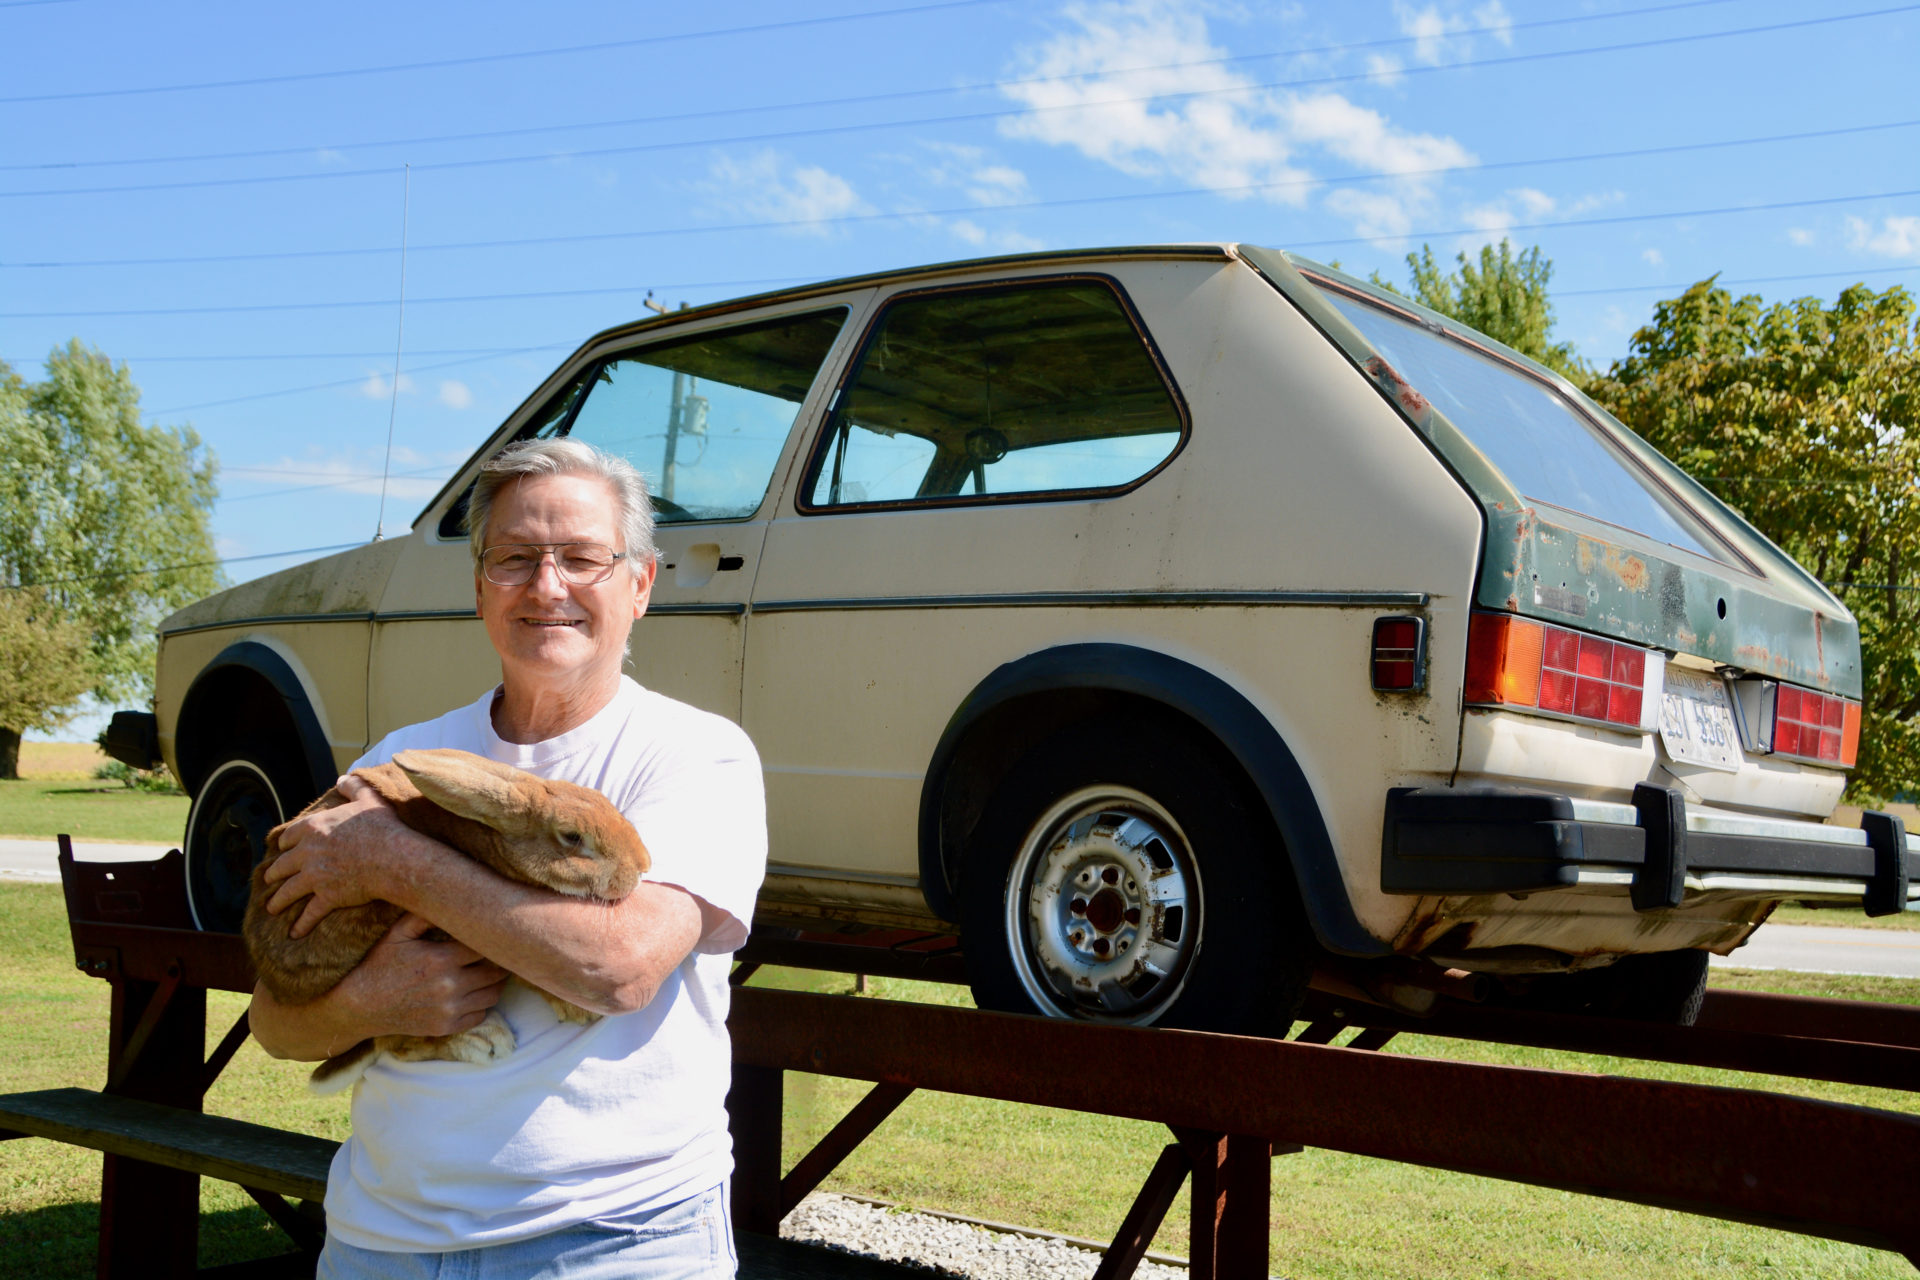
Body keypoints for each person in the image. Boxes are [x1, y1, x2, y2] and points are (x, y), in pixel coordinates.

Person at [248, 438, 767, 1279]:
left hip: (608, 1242)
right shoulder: (404, 754)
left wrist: (393, 863)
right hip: (383, 1240)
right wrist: (374, 999)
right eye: (514, 559)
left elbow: (620, 968)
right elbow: (274, 1023)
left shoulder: (696, 755)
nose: (547, 586)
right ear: (479, 590)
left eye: (583, 559)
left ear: (640, 584)